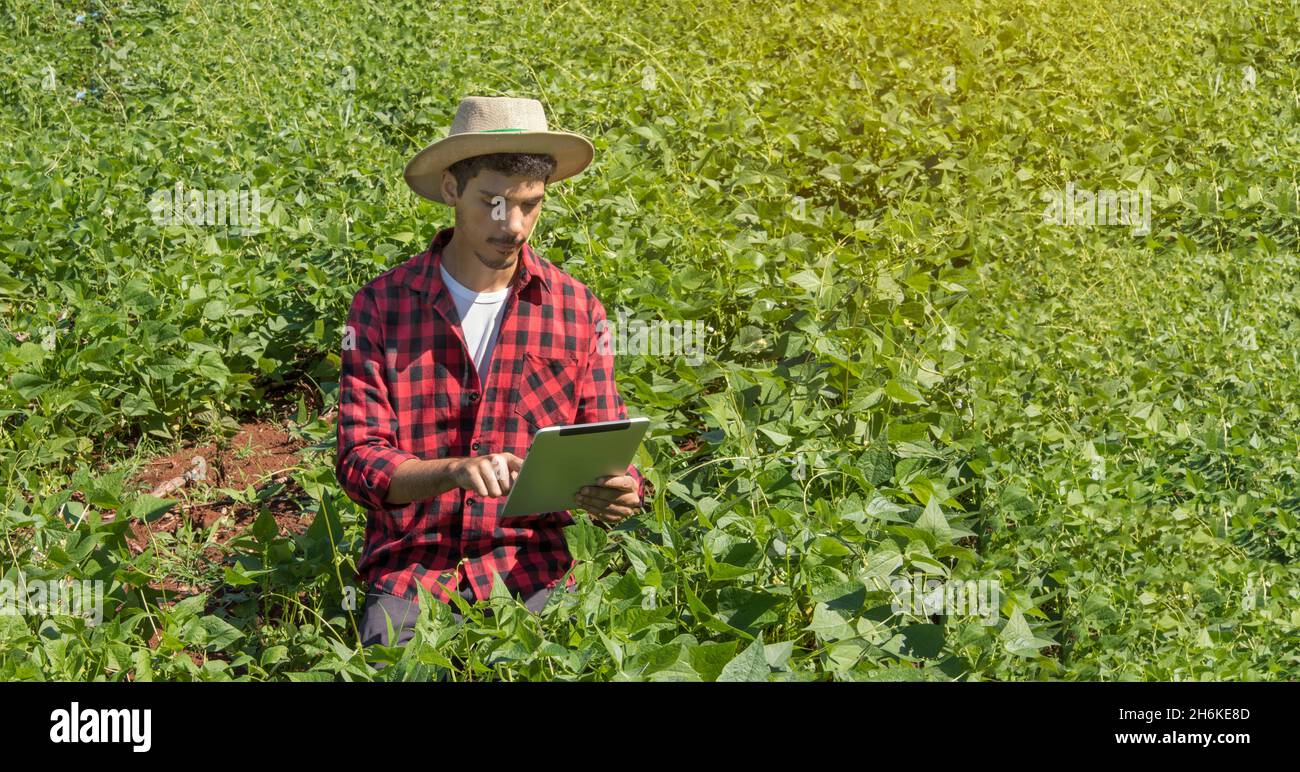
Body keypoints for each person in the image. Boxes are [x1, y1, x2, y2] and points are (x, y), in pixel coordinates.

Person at [335, 96, 653, 650]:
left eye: (531, 205)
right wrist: (452, 470)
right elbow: (359, 461)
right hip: (415, 566)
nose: (515, 226)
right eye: (494, 203)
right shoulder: (381, 307)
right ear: (453, 190)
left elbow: (606, 439)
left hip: (532, 564)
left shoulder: (577, 310)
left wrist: (622, 490)